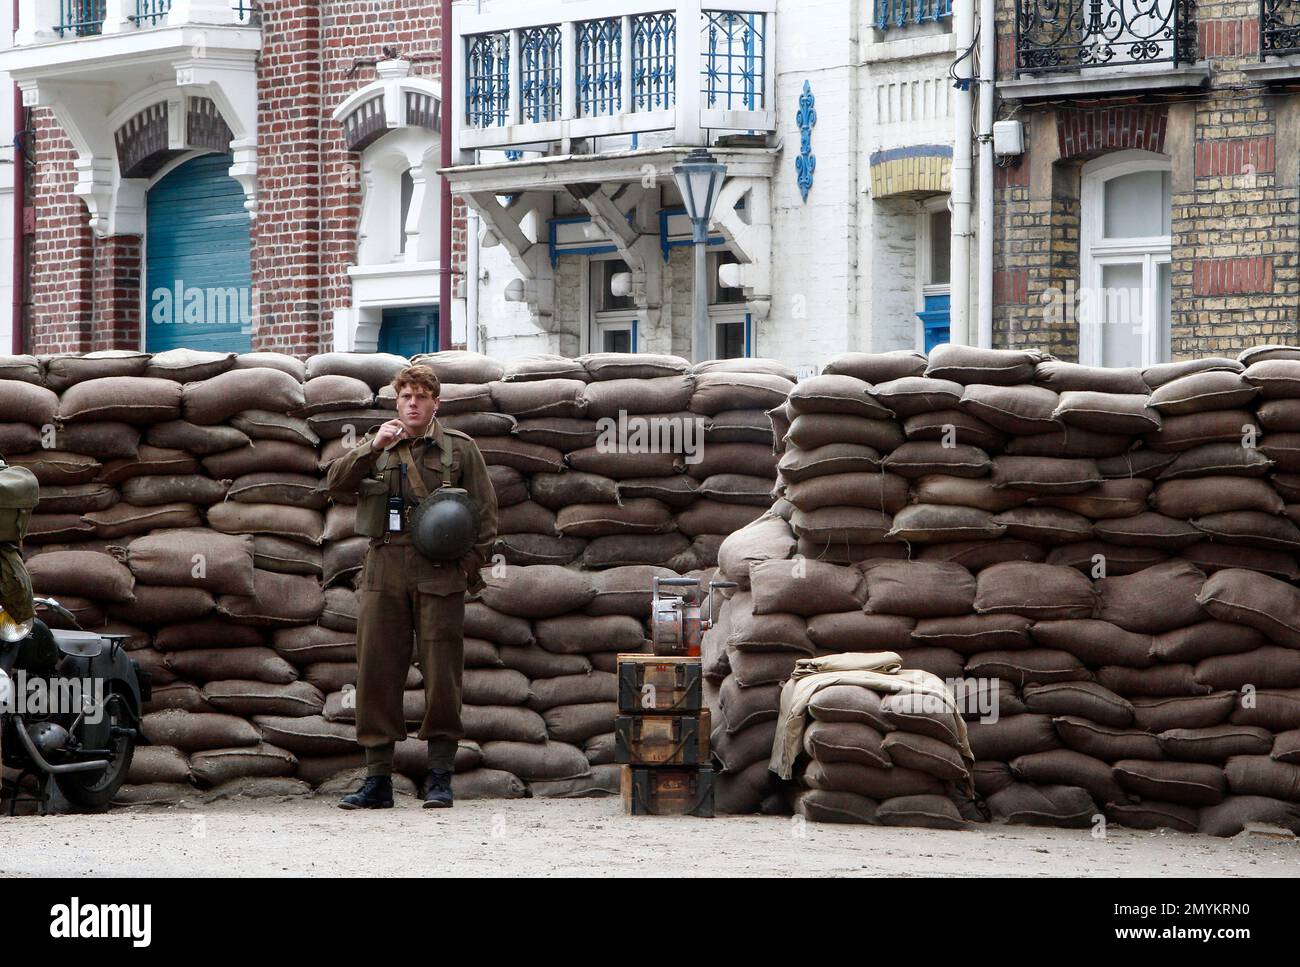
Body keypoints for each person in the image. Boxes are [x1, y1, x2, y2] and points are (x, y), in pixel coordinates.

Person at [325, 364, 497, 809]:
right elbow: (334, 485)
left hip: (440, 570)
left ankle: (439, 775)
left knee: (442, 674)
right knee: (376, 671)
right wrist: (372, 446)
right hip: (384, 566)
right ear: (396, 402)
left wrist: (468, 567)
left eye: (422, 396)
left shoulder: (460, 451)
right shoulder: (377, 446)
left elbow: (486, 514)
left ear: (436, 402)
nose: (414, 403)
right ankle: (378, 778)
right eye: (406, 397)